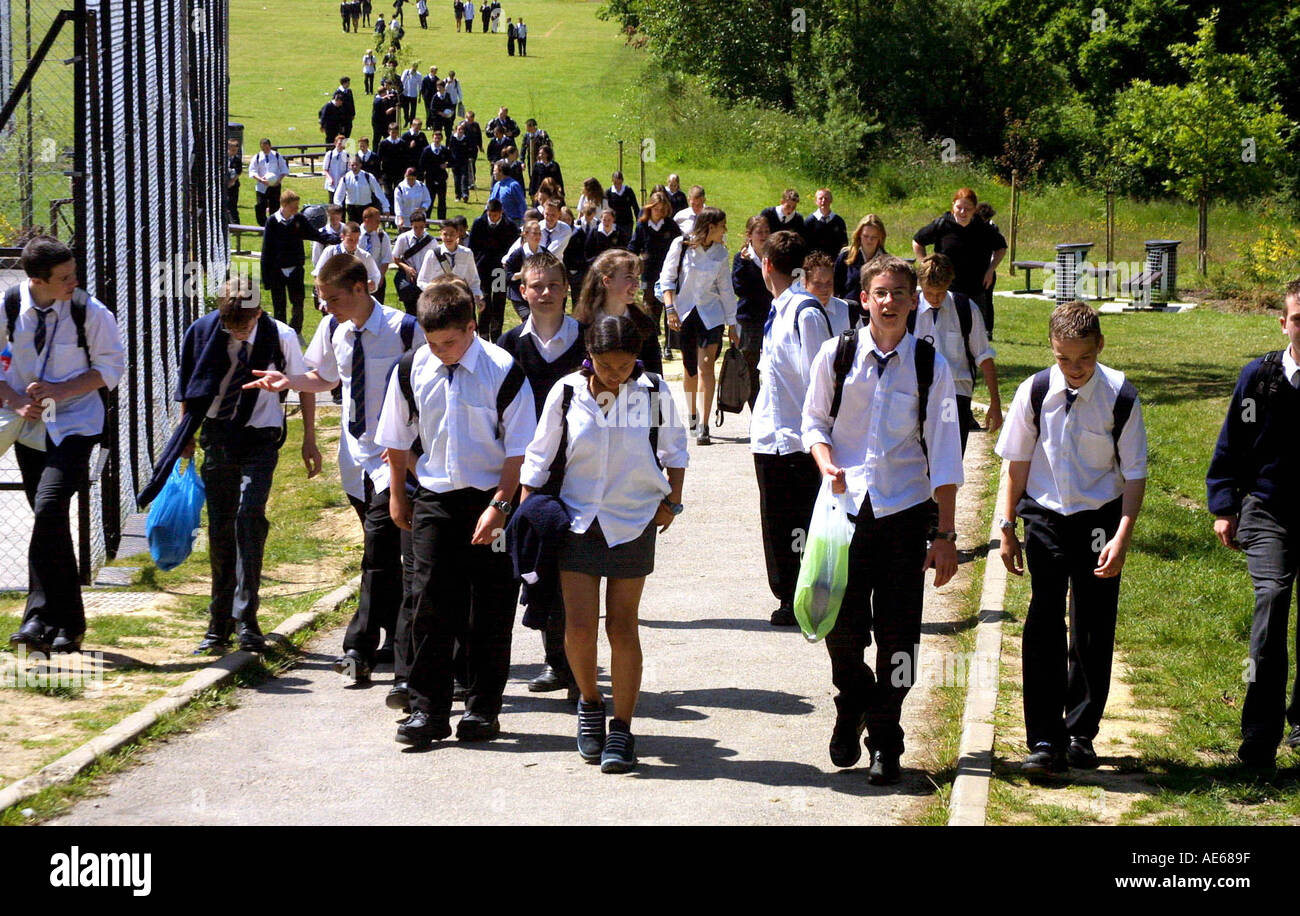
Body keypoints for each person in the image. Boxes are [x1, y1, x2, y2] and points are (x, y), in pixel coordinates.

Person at [802, 256, 963, 784]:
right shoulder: (837, 353)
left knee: (901, 641)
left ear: (914, 299)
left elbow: (944, 453)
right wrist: (828, 465)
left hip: (904, 514)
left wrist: (944, 534)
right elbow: (814, 423)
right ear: (864, 299)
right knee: (841, 631)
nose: (889, 301)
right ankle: (851, 703)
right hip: (844, 514)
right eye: (880, 292)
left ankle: (886, 736)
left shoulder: (929, 365)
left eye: (899, 292)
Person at [520, 314, 687, 772]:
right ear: (588, 356)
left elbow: (675, 451)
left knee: (622, 626)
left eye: (624, 364)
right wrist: (525, 513)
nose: (615, 374)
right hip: (577, 520)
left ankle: (623, 728)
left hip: (634, 520)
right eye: (604, 364)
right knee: (578, 625)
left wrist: (672, 503)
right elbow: (538, 459)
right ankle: (590, 705)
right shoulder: (567, 393)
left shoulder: (652, 391)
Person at [375, 277, 536, 746]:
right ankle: (428, 711)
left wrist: (501, 507)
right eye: (432, 343)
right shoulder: (412, 368)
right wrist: (398, 496)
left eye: (450, 342)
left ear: (471, 327)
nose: (441, 351)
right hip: (434, 500)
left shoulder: (503, 370)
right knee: (429, 604)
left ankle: (483, 710)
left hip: (491, 499)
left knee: (490, 608)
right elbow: (397, 437)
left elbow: (518, 452)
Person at [245, 255, 419, 682]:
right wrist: (288, 382)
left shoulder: (403, 329)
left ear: (362, 289)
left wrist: (409, 446)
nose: (327, 307)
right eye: (322, 299)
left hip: (392, 459)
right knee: (384, 552)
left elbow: (424, 391)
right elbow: (326, 378)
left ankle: (358, 646)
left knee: (378, 549)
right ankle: (401, 642)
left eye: (334, 298)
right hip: (352, 456)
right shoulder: (332, 330)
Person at [995, 300, 1147, 775]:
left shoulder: (1121, 395)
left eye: (1084, 358)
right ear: (1052, 349)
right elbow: (1015, 462)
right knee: (1043, 619)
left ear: (1100, 345)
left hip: (1100, 516)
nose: (1075, 369)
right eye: (1064, 358)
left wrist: (1122, 535)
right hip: (1045, 513)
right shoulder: (1035, 390)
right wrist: (1006, 526)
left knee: (1093, 625)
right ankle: (1043, 737)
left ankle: (1081, 732)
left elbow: (1135, 473)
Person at [167, 278, 319, 655]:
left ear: (258, 313)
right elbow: (190, 386)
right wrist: (186, 436)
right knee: (220, 526)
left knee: (249, 518)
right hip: (218, 434)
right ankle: (219, 622)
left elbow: (304, 385)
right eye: (231, 325)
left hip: (261, 436)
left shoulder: (280, 336)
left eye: (244, 325)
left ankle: (247, 618)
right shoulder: (202, 333)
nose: (237, 332)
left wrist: (309, 438)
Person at [3, 237, 125, 656]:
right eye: (64, 278)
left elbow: (110, 369)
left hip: (77, 424)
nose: (75, 281)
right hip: (31, 427)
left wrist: (60, 389)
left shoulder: (89, 311)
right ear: (36, 280)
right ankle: (66, 623)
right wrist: (16, 399)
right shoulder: (8, 308)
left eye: (74, 272)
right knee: (50, 520)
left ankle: (37, 615)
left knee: (49, 507)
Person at [1207, 279, 1300, 769]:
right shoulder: (1259, 379)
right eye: (1299, 318)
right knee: (1272, 601)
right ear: (1284, 323)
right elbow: (1232, 444)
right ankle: (1259, 737)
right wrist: (1225, 506)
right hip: (1266, 509)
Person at [497, 251, 588, 696]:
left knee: (577, 573)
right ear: (523, 291)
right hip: (530, 475)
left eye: (554, 284)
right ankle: (556, 661)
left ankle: (575, 665)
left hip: (583, 472)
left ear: (567, 287)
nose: (546, 293)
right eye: (537, 286)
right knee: (541, 568)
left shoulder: (589, 341)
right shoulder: (508, 346)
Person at [749, 230, 835, 627]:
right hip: (770, 437)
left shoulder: (805, 313)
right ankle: (788, 595)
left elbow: (821, 382)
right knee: (777, 525)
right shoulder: (780, 309)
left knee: (800, 523)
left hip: (798, 443)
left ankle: (803, 597)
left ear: (768, 265)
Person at [658, 206, 738, 445]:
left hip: (711, 316)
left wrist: (732, 323)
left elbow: (726, 289)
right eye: (722, 226)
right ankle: (691, 413)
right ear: (710, 227)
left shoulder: (721, 254)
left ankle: (703, 424)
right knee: (690, 368)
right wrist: (670, 308)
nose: (725, 230)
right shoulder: (680, 245)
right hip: (683, 313)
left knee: (706, 367)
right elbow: (667, 278)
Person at [912, 253, 1001, 455]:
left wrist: (995, 403)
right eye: (929, 293)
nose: (935, 299)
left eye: (941, 293)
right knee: (916, 459)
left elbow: (984, 357)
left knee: (949, 457)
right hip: (916, 394)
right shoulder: (909, 310)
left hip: (953, 395)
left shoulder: (965, 309)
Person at [912, 187, 1007, 337]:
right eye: (959, 207)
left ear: (975, 209)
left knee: (975, 331)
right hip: (947, 288)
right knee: (947, 330)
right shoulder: (942, 225)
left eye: (967, 209)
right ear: (953, 206)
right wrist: (925, 264)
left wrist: (991, 270)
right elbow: (917, 241)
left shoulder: (983, 228)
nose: (963, 212)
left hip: (976, 287)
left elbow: (1001, 248)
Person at [575, 248, 661, 375]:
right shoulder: (582, 326)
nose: (636, 284)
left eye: (637, 277)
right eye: (629, 277)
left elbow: (655, 375)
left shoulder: (644, 324)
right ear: (607, 281)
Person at [261, 189, 338, 333]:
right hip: (277, 271)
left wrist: (334, 239)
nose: (297, 209)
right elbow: (266, 251)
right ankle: (281, 332)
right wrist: (266, 279)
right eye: (293, 206)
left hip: (295, 268)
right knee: (279, 305)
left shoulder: (299, 219)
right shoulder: (272, 221)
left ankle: (296, 331)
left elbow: (314, 234)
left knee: (298, 302)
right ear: (284, 205)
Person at [629, 190, 680, 361]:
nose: (659, 212)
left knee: (669, 309)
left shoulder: (671, 226)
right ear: (650, 208)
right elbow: (633, 247)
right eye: (656, 209)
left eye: (662, 209)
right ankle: (652, 343)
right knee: (649, 307)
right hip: (649, 274)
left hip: (669, 273)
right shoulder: (643, 226)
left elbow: (681, 245)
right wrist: (637, 259)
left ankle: (668, 346)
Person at [731, 214, 772, 409]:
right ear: (749, 235)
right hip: (749, 319)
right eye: (759, 232)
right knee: (750, 365)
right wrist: (747, 264)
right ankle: (755, 408)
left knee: (773, 364)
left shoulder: (774, 256)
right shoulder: (741, 258)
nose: (763, 235)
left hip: (772, 316)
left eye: (766, 231)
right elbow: (739, 288)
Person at [468, 199, 518, 339]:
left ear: (501, 212)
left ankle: (496, 335)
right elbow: (472, 246)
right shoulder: (479, 223)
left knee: (498, 302)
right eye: (491, 215)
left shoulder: (509, 225)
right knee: (484, 300)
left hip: (499, 270)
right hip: (482, 269)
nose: (493, 218)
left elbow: (513, 248)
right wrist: (478, 261)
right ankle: (483, 334)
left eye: (496, 215)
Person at [834, 214, 887, 327]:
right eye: (866, 236)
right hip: (847, 316)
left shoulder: (886, 261)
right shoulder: (846, 256)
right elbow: (835, 287)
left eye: (874, 237)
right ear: (859, 235)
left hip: (875, 318)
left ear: (880, 238)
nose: (869, 241)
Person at [416, 220, 483, 301]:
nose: (448, 237)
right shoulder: (432, 254)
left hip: (460, 299)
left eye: (452, 234)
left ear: (457, 234)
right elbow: (421, 281)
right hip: (438, 300)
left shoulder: (467, 253)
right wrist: (434, 290)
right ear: (440, 234)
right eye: (445, 234)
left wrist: (478, 298)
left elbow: (473, 280)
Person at [314, 221, 383, 295]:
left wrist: (373, 284)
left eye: (356, 240)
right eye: (350, 240)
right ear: (342, 236)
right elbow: (318, 273)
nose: (353, 243)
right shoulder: (330, 251)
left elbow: (375, 275)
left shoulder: (365, 256)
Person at [800, 251, 852, 336]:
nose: (824, 289)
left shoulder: (847, 310)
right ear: (804, 282)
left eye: (829, 282)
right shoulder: (796, 313)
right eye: (818, 283)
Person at [502, 219, 544, 321]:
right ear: (525, 234)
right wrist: (520, 275)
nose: (537, 236)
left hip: (538, 295)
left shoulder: (544, 253)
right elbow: (506, 274)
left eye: (539, 233)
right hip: (519, 295)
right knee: (529, 319)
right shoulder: (518, 253)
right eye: (534, 233)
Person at [334, 155, 391, 223]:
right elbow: (338, 196)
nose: (354, 167)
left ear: (360, 165)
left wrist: (386, 207)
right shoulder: (345, 178)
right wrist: (338, 209)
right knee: (353, 231)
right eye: (352, 165)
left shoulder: (368, 177)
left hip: (366, 208)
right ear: (349, 165)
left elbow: (379, 193)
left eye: (356, 165)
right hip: (352, 209)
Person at [248, 138, 289, 228]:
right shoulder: (257, 157)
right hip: (261, 186)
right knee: (260, 206)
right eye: (263, 148)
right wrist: (260, 179)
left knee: (274, 206)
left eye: (267, 148)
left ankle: (274, 226)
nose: (265, 150)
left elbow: (284, 169)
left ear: (270, 146)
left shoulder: (277, 155)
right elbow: (252, 171)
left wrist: (278, 180)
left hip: (275, 185)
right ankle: (263, 225)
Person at [360, 208, 394, 304]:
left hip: (376, 278)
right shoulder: (356, 235)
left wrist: (381, 277)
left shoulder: (382, 236)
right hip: (359, 278)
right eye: (376, 221)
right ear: (367, 220)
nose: (379, 223)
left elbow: (386, 258)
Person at [802, 188, 847, 259]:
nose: (823, 201)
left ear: (831, 200)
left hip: (833, 261)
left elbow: (844, 244)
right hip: (814, 262)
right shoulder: (809, 221)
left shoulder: (839, 221)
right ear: (816, 201)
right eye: (820, 198)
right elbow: (804, 245)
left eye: (826, 198)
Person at [419, 129, 453, 221]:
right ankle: (427, 220)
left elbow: (453, 161)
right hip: (430, 178)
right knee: (429, 200)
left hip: (441, 178)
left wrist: (447, 165)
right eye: (435, 137)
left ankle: (441, 221)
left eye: (439, 138)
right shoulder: (427, 150)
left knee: (442, 200)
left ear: (441, 139)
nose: (437, 139)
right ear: (432, 138)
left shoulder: (444, 150)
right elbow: (421, 164)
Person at [488, 158, 526, 223]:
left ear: (501, 172)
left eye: (494, 171)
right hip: (497, 221)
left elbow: (522, 204)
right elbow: (490, 201)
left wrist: (523, 221)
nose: (493, 173)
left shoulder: (513, 185)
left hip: (513, 222)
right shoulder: (497, 185)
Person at [377, 122, 406, 202]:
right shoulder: (383, 144)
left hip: (399, 173)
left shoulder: (402, 143)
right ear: (389, 131)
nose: (394, 134)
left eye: (396, 132)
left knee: (399, 193)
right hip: (387, 173)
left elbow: (405, 159)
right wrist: (380, 173)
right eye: (392, 132)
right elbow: (378, 159)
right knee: (388, 193)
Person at [604, 171, 638, 238]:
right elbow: (605, 209)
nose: (617, 185)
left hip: (627, 223)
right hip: (614, 223)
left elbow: (635, 206)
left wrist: (639, 220)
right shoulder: (608, 192)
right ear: (612, 181)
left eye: (619, 183)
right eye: (615, 183)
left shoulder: (628, 191)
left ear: (622, 181)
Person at [448, 121, 473, 203]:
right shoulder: (453, 138)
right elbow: (449, 149)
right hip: (455, 161)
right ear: (456, 130)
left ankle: (465, 194)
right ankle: (458, 195)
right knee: (457, 179)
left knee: (464, 178)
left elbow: (470, 149)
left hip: (464, 161)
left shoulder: (466, 139)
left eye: (462, 129)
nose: (460, 131)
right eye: (459, 129)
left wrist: (470, 157)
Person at [400, 63, 423, 127]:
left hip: (414, 94)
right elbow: (402, 81)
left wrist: (419, 97)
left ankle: (411, 123)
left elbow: (420, 85)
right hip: (405, 94)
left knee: (413, 110)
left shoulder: (418, 75)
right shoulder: (406, 72)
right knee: (406, 109)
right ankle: (406, 120)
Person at [225, 139, 242, 225]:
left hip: (233, 186)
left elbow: (239, 172)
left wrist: (232, 181)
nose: (233, 152)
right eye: (232, 150)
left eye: (235, 150)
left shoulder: (237, 160)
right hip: (224, 185)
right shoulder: (224, 158)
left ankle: (236, 224)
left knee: (233, 205)